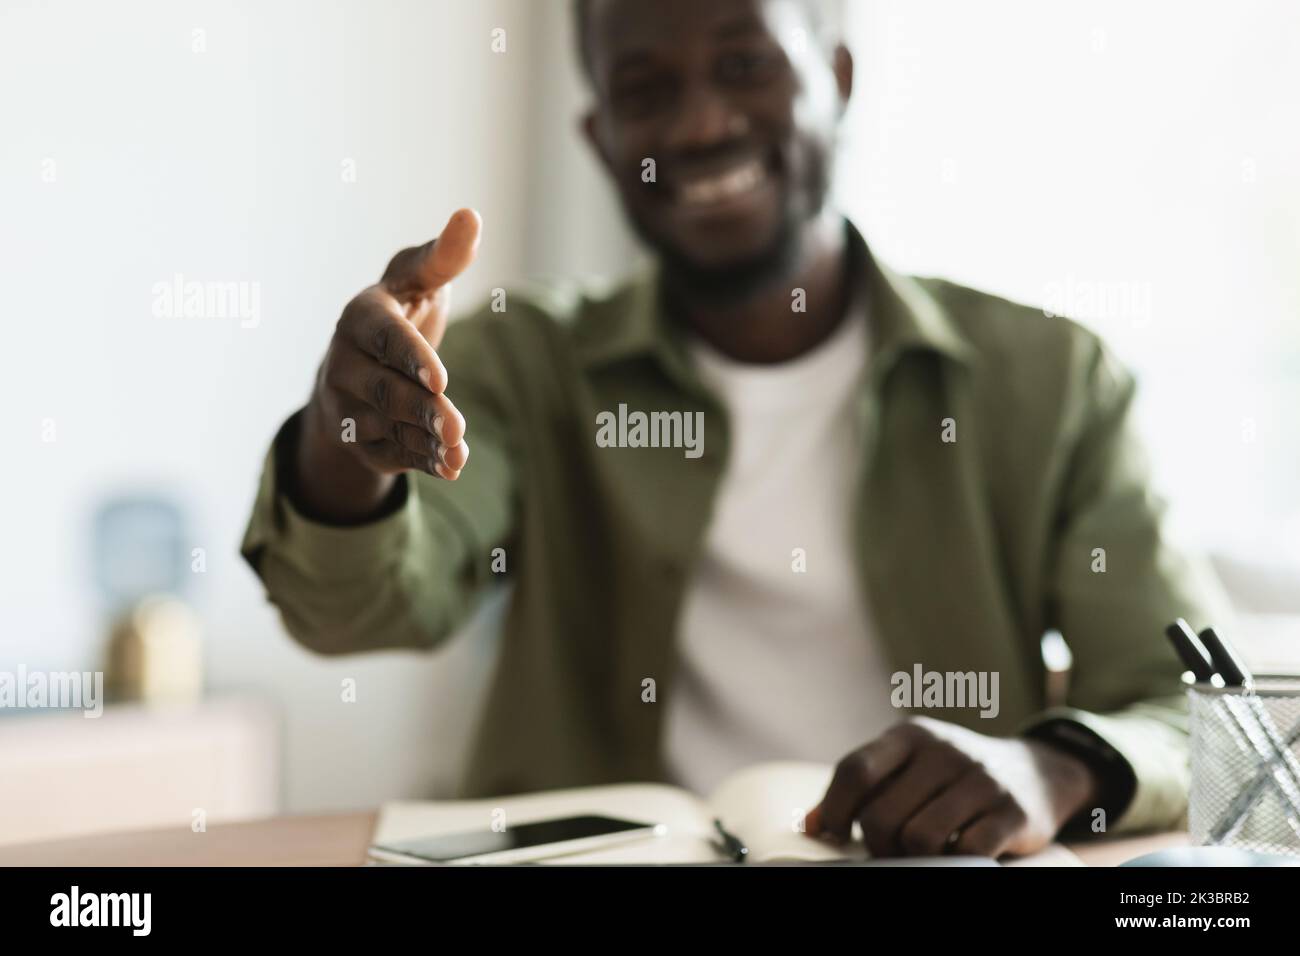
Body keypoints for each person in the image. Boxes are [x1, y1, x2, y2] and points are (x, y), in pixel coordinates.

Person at [241, 0, 1225, 858]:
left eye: (746, 64)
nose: (702, 121)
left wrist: (1050, 769)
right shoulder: (527, 361)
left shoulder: (1048, 381)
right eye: (645, 85)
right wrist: (344, 442)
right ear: (599, 136)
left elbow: (1202, 708)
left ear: (835, 78)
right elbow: (359, 609)